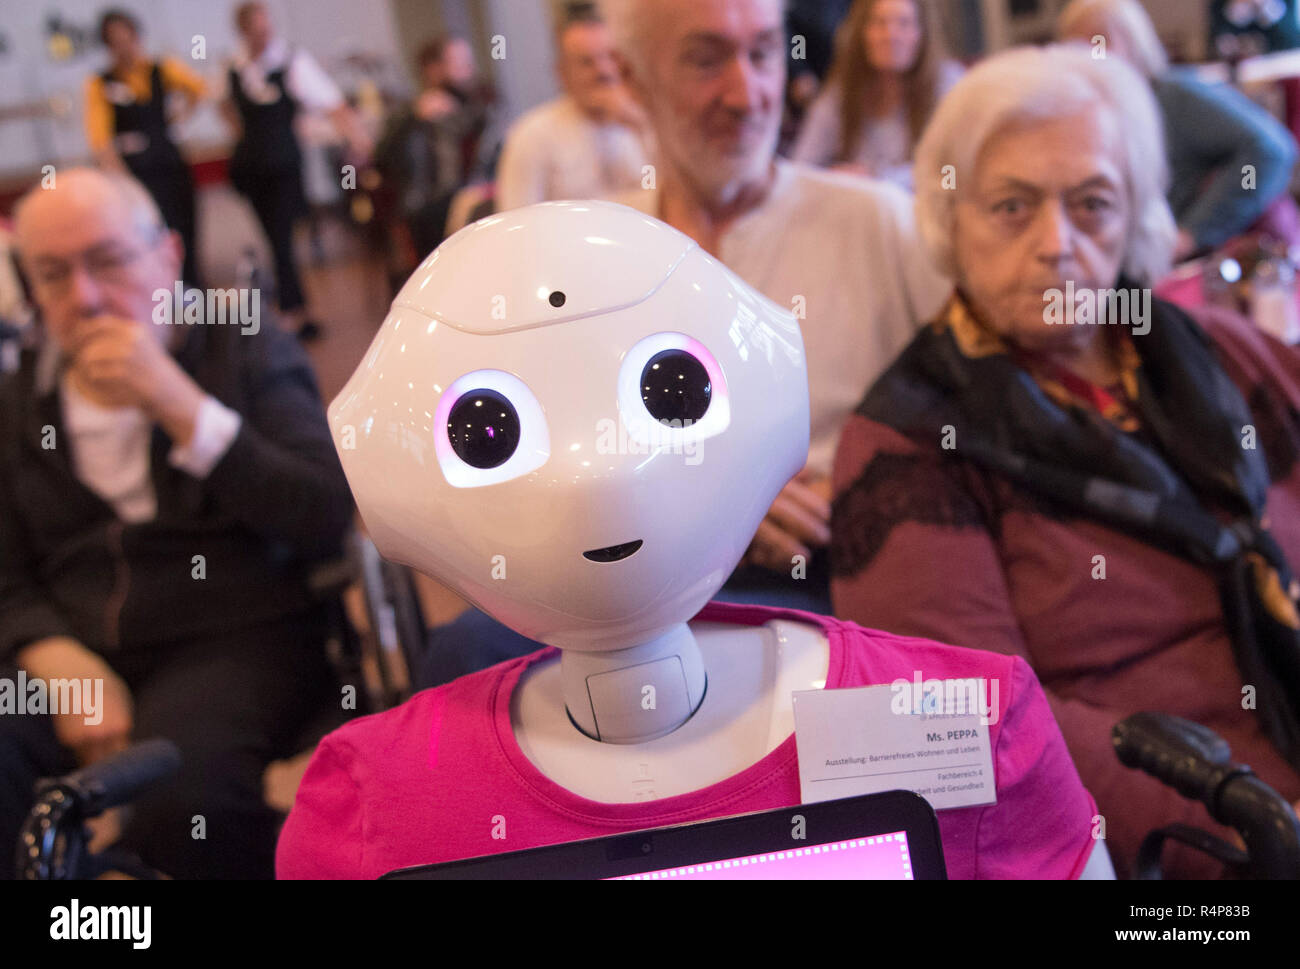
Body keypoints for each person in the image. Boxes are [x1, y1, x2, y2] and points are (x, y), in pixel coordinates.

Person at [277, 199, 1105, 881]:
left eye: (671, 392)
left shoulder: (979, 732)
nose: (599, 473)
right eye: (486, 434)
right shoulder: (365, 804)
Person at [829, 45, 1300, 878]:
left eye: (1093, 204)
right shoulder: (909, 443)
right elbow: (979, 728)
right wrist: (1257, 829)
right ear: (950, 220)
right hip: (1187, 845)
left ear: (1137, 221)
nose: (1057, 245)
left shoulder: (1216, 353)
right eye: (1012, 206)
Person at [0, 168, 354, 879]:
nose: (86, 298)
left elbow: (321, 511)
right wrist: (55, 658)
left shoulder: (243, 345)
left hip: (235, 634)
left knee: (179, 799)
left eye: (106, 261)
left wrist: (178, 404)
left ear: (167, 255)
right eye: (53, 274)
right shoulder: (16, 403)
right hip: (71, 642)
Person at [1060, 0, 1299, 260]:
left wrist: (1194, 231)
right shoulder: (1091, 120)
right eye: (1077, 47)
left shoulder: (1173, 96)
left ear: (1135, 43)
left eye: (1101, 41)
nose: (1092, 57)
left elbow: (1270, 149)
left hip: (1220, 264)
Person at [220, 1, 372, 341]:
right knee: (273, 238)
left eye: (265, 29)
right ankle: (293, 308)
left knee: (282, 236)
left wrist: (359, 142)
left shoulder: (291, 62)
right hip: (251, 168)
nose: (262, 36)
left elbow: (333, 103)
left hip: (284, 166)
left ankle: (294, 308)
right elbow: (225, 106)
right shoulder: (234, 68)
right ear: (244, 32)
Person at [84, 8, 206, 288]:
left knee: (185, 229)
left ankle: (194, 293)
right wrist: (123, 184)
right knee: (149, 237)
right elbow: (100, 140)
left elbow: (199, 89)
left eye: (127, 38)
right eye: (115, 41)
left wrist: (178, 118)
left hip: (170, 163)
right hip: (137, 173)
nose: (124, 46)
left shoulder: (161, 70)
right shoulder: (100, 84)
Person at [791, 0, 963, 189]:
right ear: (861, 33)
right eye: (879, 23)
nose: (891, 35)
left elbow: (954, 173)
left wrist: (877, 180)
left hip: (923, 210)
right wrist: (832, 177)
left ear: (922, 33)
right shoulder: (841, 92)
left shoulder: (949, 85)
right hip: (859, 212)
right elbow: (800, 169)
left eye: (904, 23)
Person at [494, 4, 651, 211]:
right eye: (587, 62)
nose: (604, 70)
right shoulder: (532, 135)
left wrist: (641, 126)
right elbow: (514, 220)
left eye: (611, 57)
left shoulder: (650, 122)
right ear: (562, 73)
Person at [374, 35, 492, 265]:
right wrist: (413, 119)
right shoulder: (409, 114)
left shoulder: (480, 106)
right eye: (459, 64)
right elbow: (381, 158)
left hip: (474, 201)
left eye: (469, 62)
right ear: (433, 70)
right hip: (428, 209)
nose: (469, 70)